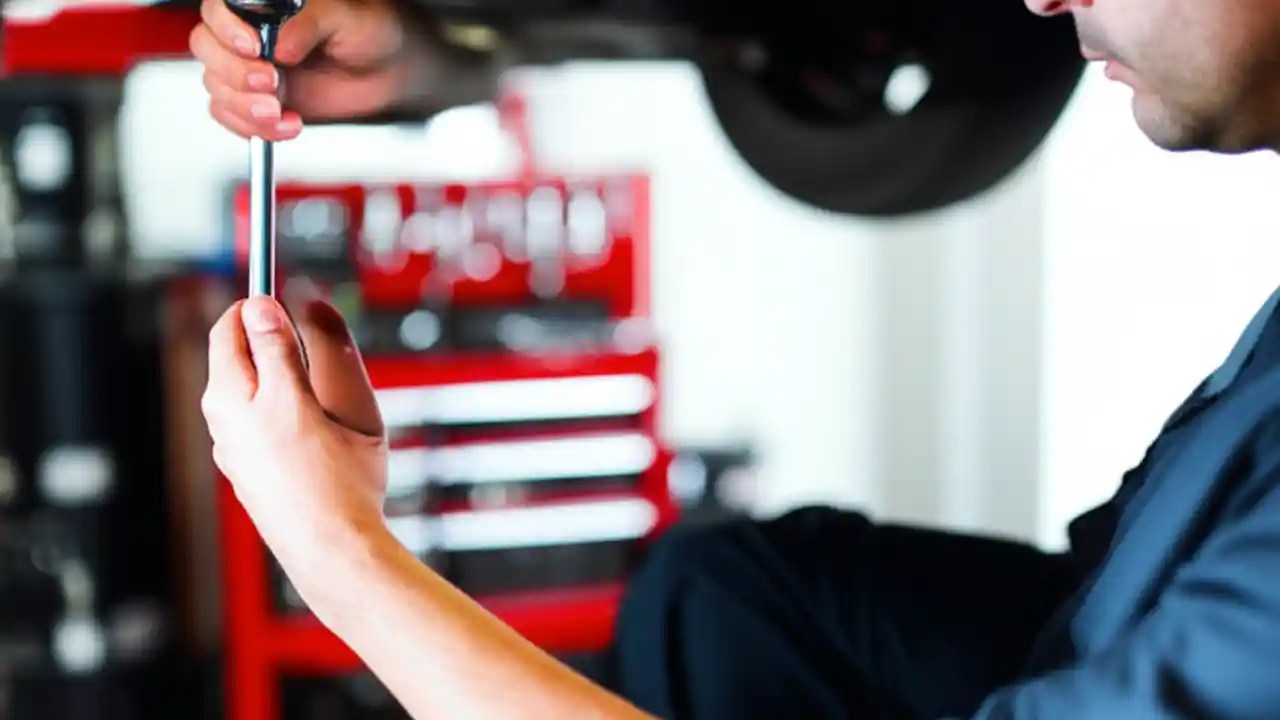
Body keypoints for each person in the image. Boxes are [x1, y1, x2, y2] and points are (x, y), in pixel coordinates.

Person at [193, 0, 1280, 717]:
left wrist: (337, 552)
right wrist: (458, 55)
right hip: (1097, 611)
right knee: (721, 596)